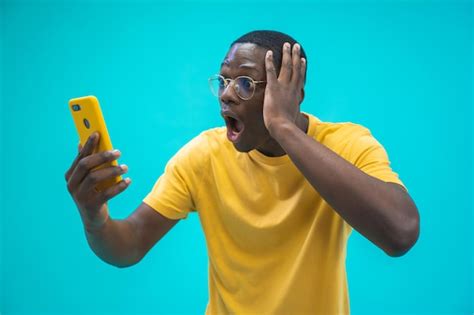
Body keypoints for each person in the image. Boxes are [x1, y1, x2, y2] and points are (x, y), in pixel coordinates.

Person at [65, 30, 420, 315]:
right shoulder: (205, 155)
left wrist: (282, 127)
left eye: (246, 84)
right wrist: (94, 217)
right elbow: (128, 245)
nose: (226, 95)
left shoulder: (345, 144)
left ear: (293, 93)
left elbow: (400, 233)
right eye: (222, 80)